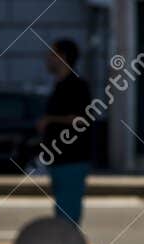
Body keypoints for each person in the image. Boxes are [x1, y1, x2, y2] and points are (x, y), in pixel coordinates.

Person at [38, 39, 92, 225]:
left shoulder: (77, 85)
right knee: (62, 210)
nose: (48, 58)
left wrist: (50, 120)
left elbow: (82, 119)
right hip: (59, 159)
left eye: (52, 54)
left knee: (67, 215)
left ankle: (68, 243)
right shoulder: (58, 85)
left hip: (72, 158)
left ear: (62, 57)